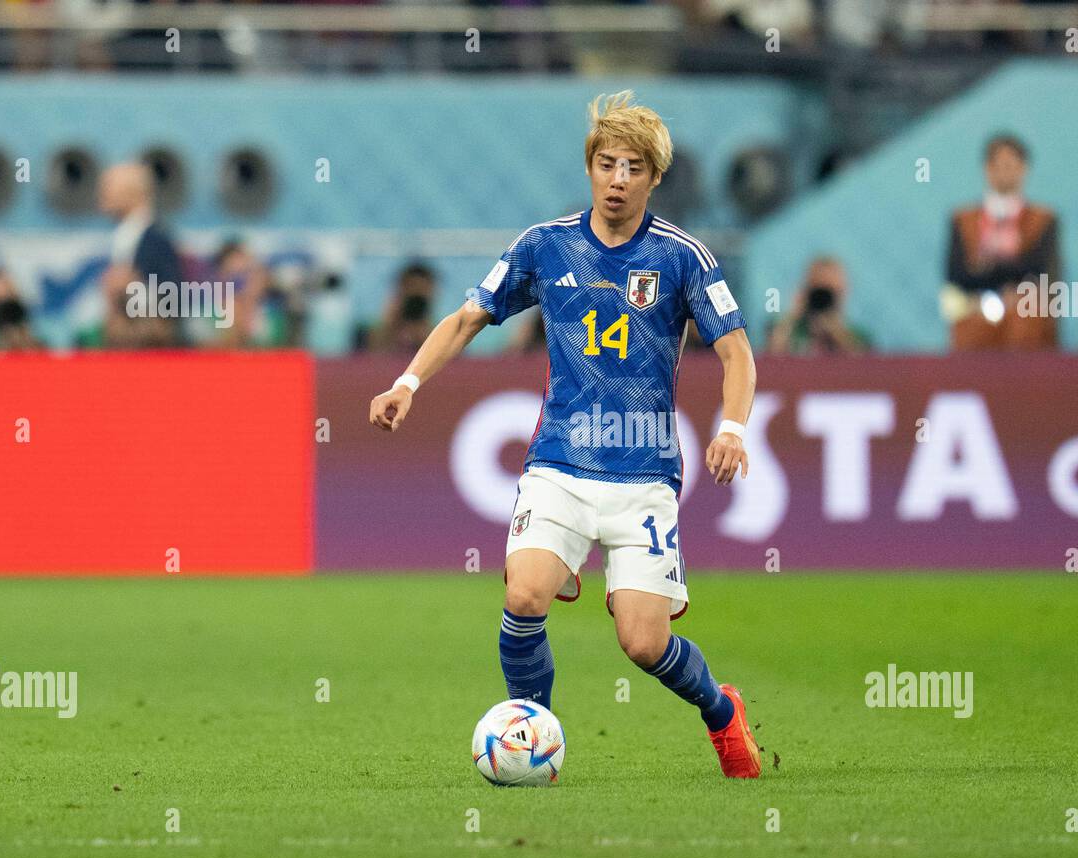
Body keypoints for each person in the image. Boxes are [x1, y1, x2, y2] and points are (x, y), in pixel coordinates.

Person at [369, 90, 762, 779]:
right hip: (559, 465)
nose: (617, 179)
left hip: (644, 477)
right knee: (523, 596)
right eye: (606, 163)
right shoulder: (545, 246)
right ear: (590, 167)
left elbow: (735, 351)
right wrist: (406, 383)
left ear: (654, 177)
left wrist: (732, 427)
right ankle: (531, 739)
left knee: (643, 644)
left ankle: (720, 710)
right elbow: (468, 318)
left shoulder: (682, 257)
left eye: (633, 167)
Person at [943, 134, 1062, 350]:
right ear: (987, 168)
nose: (1005, 172)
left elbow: (1041, 272)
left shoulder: (1043, 219)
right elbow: (955, 274)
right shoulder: (963, 219)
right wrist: (1000, 277)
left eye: (1011, 165)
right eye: (999, 165)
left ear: (1024, 169)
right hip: (975, 315)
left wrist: (989, 269)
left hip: (1024, 319)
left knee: (1029, 308)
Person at [97, 162, 183, 348]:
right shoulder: (125, 235)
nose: (102, 194)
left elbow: (172, 303)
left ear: (131, 192)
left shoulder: (156, 240)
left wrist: (130, 289)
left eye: (108, 187)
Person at [768, 257, 869, 355]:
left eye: (829, 293)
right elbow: (770, 360)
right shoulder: (789, 331)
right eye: (818, 292)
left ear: (843, 292)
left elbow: (864, 365)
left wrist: (839, 334)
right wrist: (791, 316)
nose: (822, 299)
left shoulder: (857, 336)